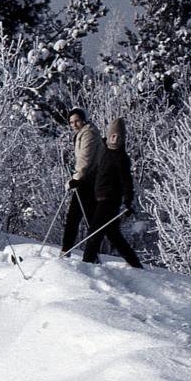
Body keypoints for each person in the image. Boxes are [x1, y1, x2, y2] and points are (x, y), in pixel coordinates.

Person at [82, 118, 143, 268]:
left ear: (123, 139)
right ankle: (135, 264)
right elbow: (96, 171)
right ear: (109, 135)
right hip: (99, 197)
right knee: (114, 235)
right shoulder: (104, 151)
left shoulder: (121, 158)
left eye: (119, 137)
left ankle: (87, 264)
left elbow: (127, 182)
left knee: (94, 232)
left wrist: (128, 202)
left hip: (110, 200)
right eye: (113, 136)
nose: (115, 139)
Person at [60, 107, 103, 256]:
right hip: (87, 179)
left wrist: (76, 178)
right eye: (71, 122)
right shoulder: (83, 133)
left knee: (76, 216)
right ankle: (90, 254)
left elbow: (86, 158)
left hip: (88, 180)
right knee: (86, 217)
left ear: (84, 119)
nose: (74, 124)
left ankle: (68, 251)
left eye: (77, 120)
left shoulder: (89, 133)